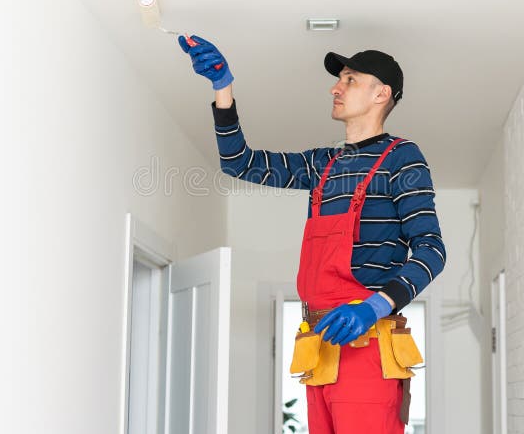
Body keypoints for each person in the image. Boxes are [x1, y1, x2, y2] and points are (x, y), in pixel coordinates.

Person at [178, 34, 446, 434]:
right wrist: (223, 88)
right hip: (319, 348)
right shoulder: (323, 163)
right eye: (339, 79)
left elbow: (431, 250)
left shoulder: (402, 158)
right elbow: (239, 163)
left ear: (381, 94)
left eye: (350, 79)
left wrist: (374, 307)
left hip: (368, 345)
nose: (336, 88)